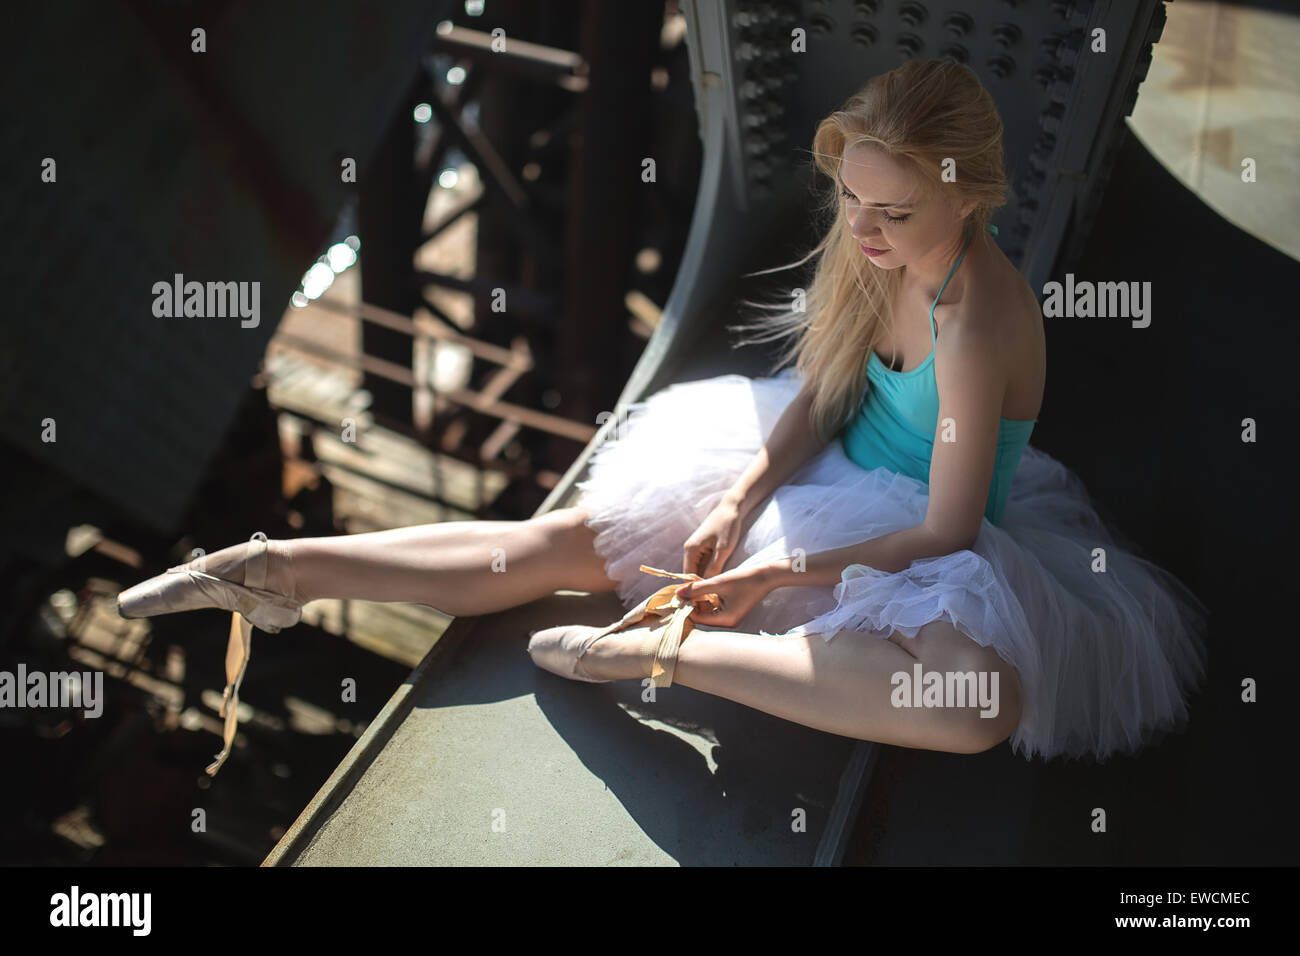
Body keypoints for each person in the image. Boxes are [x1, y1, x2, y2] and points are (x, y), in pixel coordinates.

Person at [118, 59, 1207, 763]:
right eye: (852, 200)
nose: (864, 229)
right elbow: (829, 388)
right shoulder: (878, 242)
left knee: (974, 706)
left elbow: (948, 532)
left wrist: (774, 569)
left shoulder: (978, 323)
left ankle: (656, 655)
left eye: (894, 209)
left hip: (918, 529)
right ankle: (269, 570)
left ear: (967, 193)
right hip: (812, 472)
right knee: (554, 544)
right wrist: (743, 493)